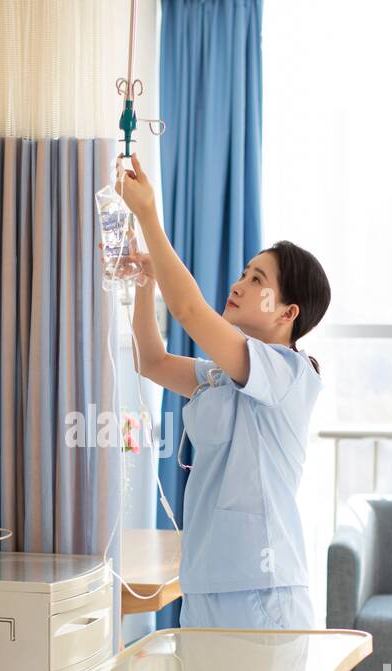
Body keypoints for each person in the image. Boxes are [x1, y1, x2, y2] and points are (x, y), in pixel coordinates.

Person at [109, 152, 331, 630]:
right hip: (206, 584)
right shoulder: (221, 375)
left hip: (263, 591)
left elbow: (189, 311)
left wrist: (148, 215)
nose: (239, 284)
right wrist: (145, 284)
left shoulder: (290, 375)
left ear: (287, 313)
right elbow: (151, 362)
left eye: (258, 281)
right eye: (243, 273)